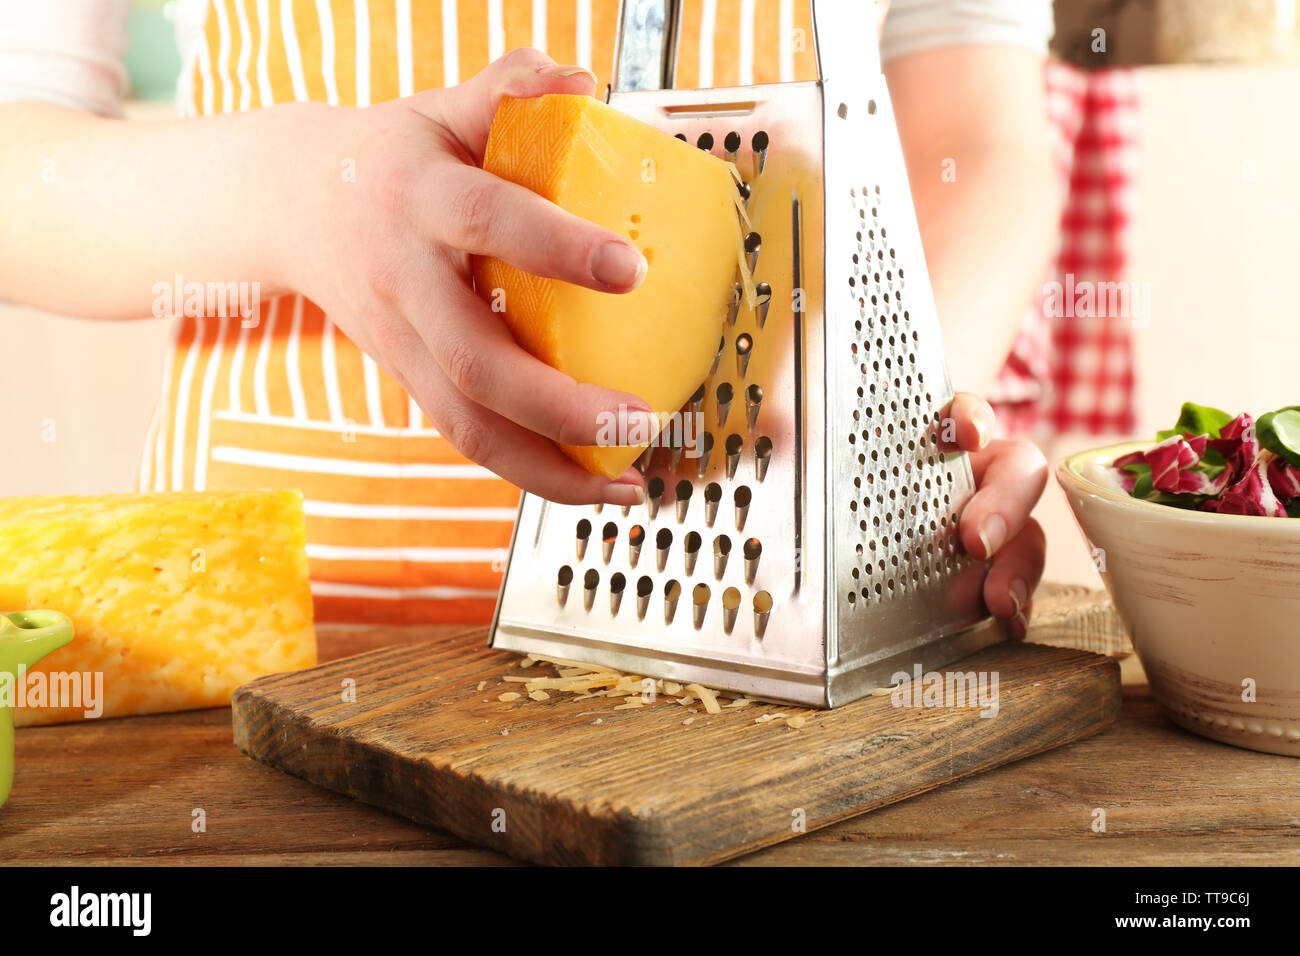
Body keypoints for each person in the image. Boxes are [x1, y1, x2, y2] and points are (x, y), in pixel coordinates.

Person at [0, 0, 1055, 635]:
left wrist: (894, 432)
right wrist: (295, 188)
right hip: (290, 626)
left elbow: (974, 130)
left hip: (772, 603)